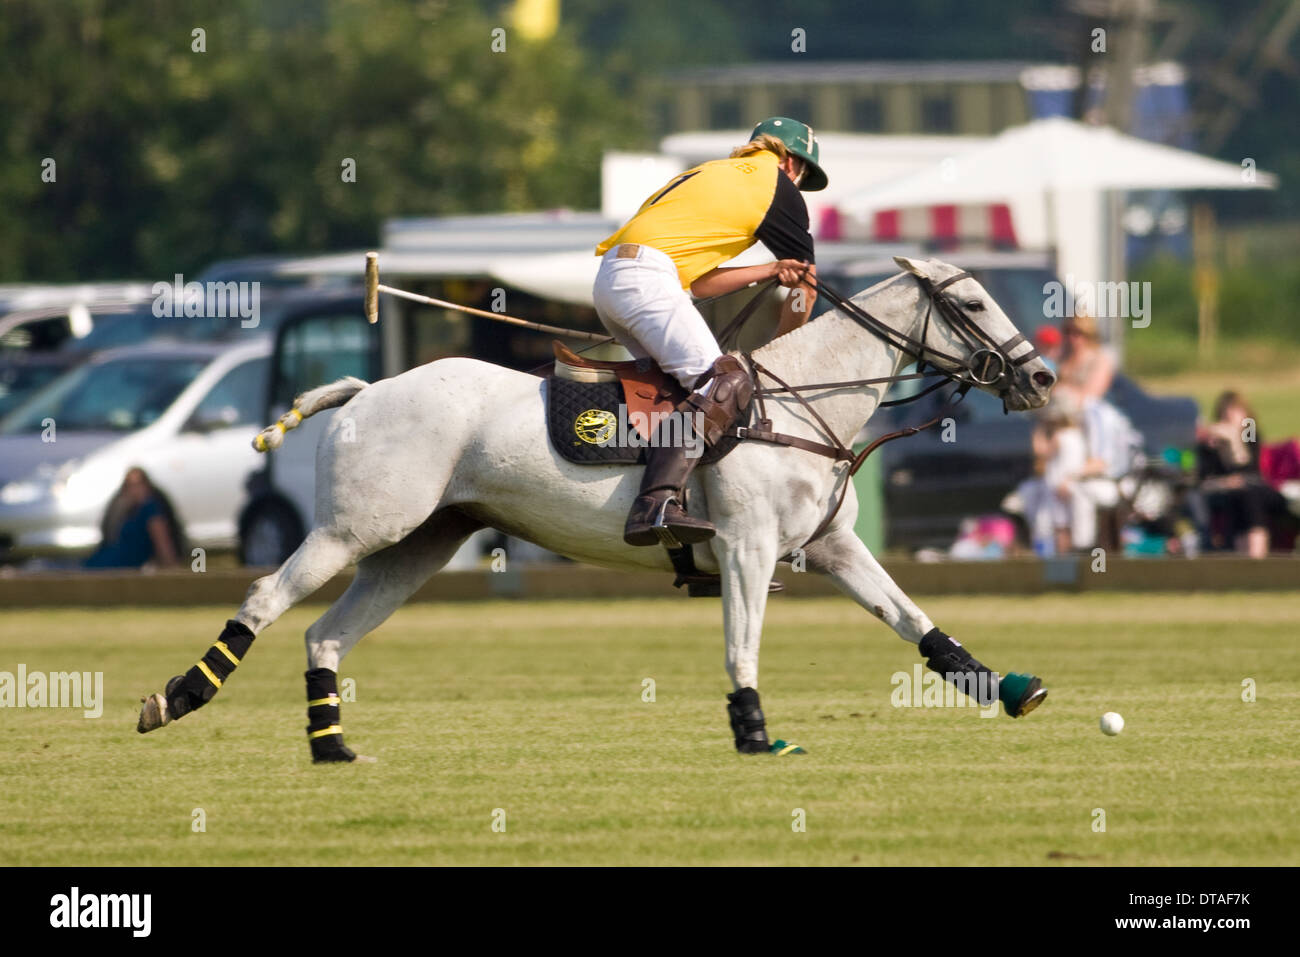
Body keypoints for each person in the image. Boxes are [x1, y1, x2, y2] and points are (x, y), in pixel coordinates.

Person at [592, 117, 827, 546]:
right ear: (792, 162)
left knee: (684, 395)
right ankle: (656, 504)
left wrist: (771, 269)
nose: (799, 182)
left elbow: (697, 282)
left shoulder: (706, 172)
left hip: (615, 278)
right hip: (647, 280)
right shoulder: (776, 184)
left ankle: (687, 513)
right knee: (725, 383)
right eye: (804, 174)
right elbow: (806, 286)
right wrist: (786, 352)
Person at [1196, 391, 1287, 558]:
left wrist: (1234, 441)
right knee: (1240, 497)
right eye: (1226, 411)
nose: (1230, 416)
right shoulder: (1211, 441)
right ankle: (1245, 558)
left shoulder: (1249, 431)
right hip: (1224, 491)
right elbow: (1204, 476)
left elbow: (1250, 468)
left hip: (1255, 487)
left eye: (1236, 411)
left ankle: (1254, 555)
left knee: (1248, 495)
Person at [83, 467, 183, 569]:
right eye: (130, 486)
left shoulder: (151, 509)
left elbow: (163, 544)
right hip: (109, 563)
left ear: (147, 486)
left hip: (124, 567)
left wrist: (173, 568)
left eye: (138, 484)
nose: (135, 490)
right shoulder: (125, 511)